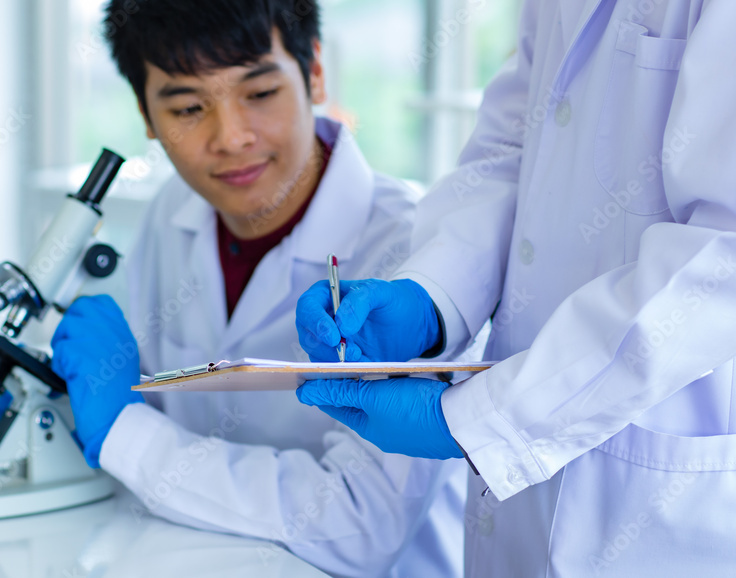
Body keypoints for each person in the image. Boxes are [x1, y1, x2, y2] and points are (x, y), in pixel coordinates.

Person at [295, 0, 736, 575]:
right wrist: (431, 297)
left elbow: (722, 253)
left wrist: (493, 419)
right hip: (519, 496)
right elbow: (513, 152)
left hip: (652, 493)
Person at [49, 1, 470, 576]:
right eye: (189, 107)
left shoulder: (414, 258)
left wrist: (126, 431)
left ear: (314, 72)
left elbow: (362, 524)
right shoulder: (173, 211)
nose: (232, 137)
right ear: (146, 115)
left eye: (261, 93)